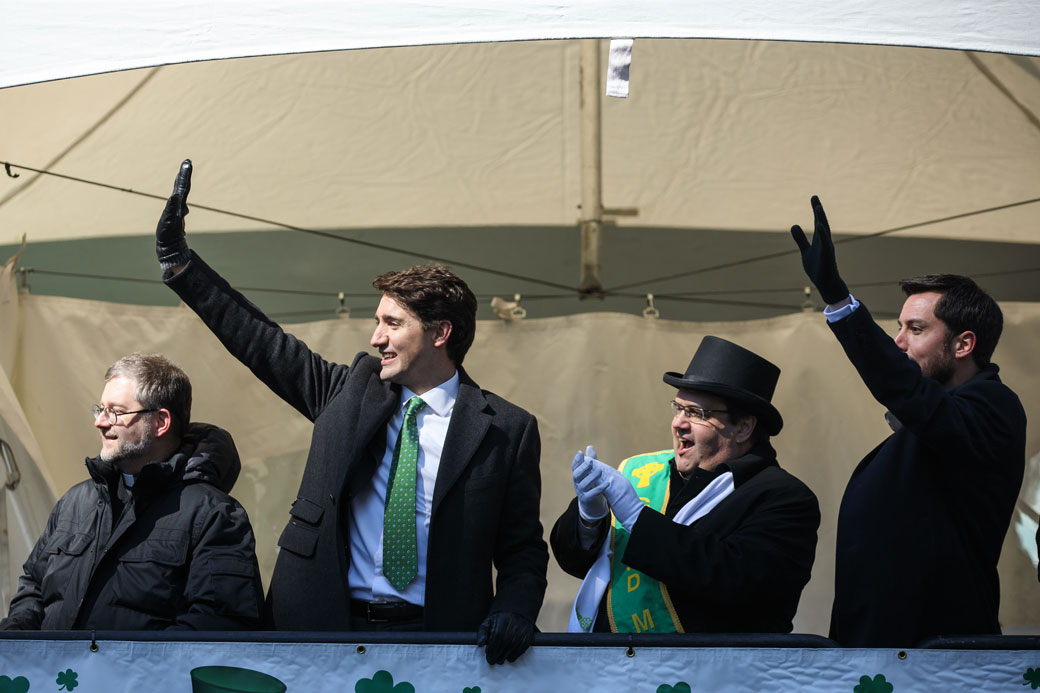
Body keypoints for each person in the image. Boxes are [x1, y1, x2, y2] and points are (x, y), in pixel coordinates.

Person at [152, 160, 548, 664]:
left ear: (439, 333)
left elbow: (523, 549)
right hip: (323, 633)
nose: (376, 337)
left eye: (392, 323)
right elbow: (260, 341)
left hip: (440, 643)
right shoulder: (349, 391)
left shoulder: (507, 430)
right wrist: (180, 264)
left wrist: (514, 609)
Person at [790, 195, 1026, 647]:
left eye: (915, 330)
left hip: (934, 658)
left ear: (962, 345)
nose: (898, 341)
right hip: (881, 654)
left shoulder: (992, 407)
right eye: (898, 327)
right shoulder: (934, 421)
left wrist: (839, 300)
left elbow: (910, 393)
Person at [551, 336, 819, 634]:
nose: (678, 423)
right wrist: (589, 520)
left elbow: (736, 580)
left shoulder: (783, 497)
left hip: (714, 673)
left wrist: (638, 519)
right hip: (616, 669)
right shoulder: (645, 473)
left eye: (696, 413)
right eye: (678, 408)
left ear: (743, 427)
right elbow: (576, 564)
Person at [0, 353, 262, 631]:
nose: (100, 422)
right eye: (99, 409)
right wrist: (20, 646)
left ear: (161, 422)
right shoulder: (74, 503)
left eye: (116, 411)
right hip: (50, 674)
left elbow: (217, 624)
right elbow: (33, 587)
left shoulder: (213, 515)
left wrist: (124, 671)